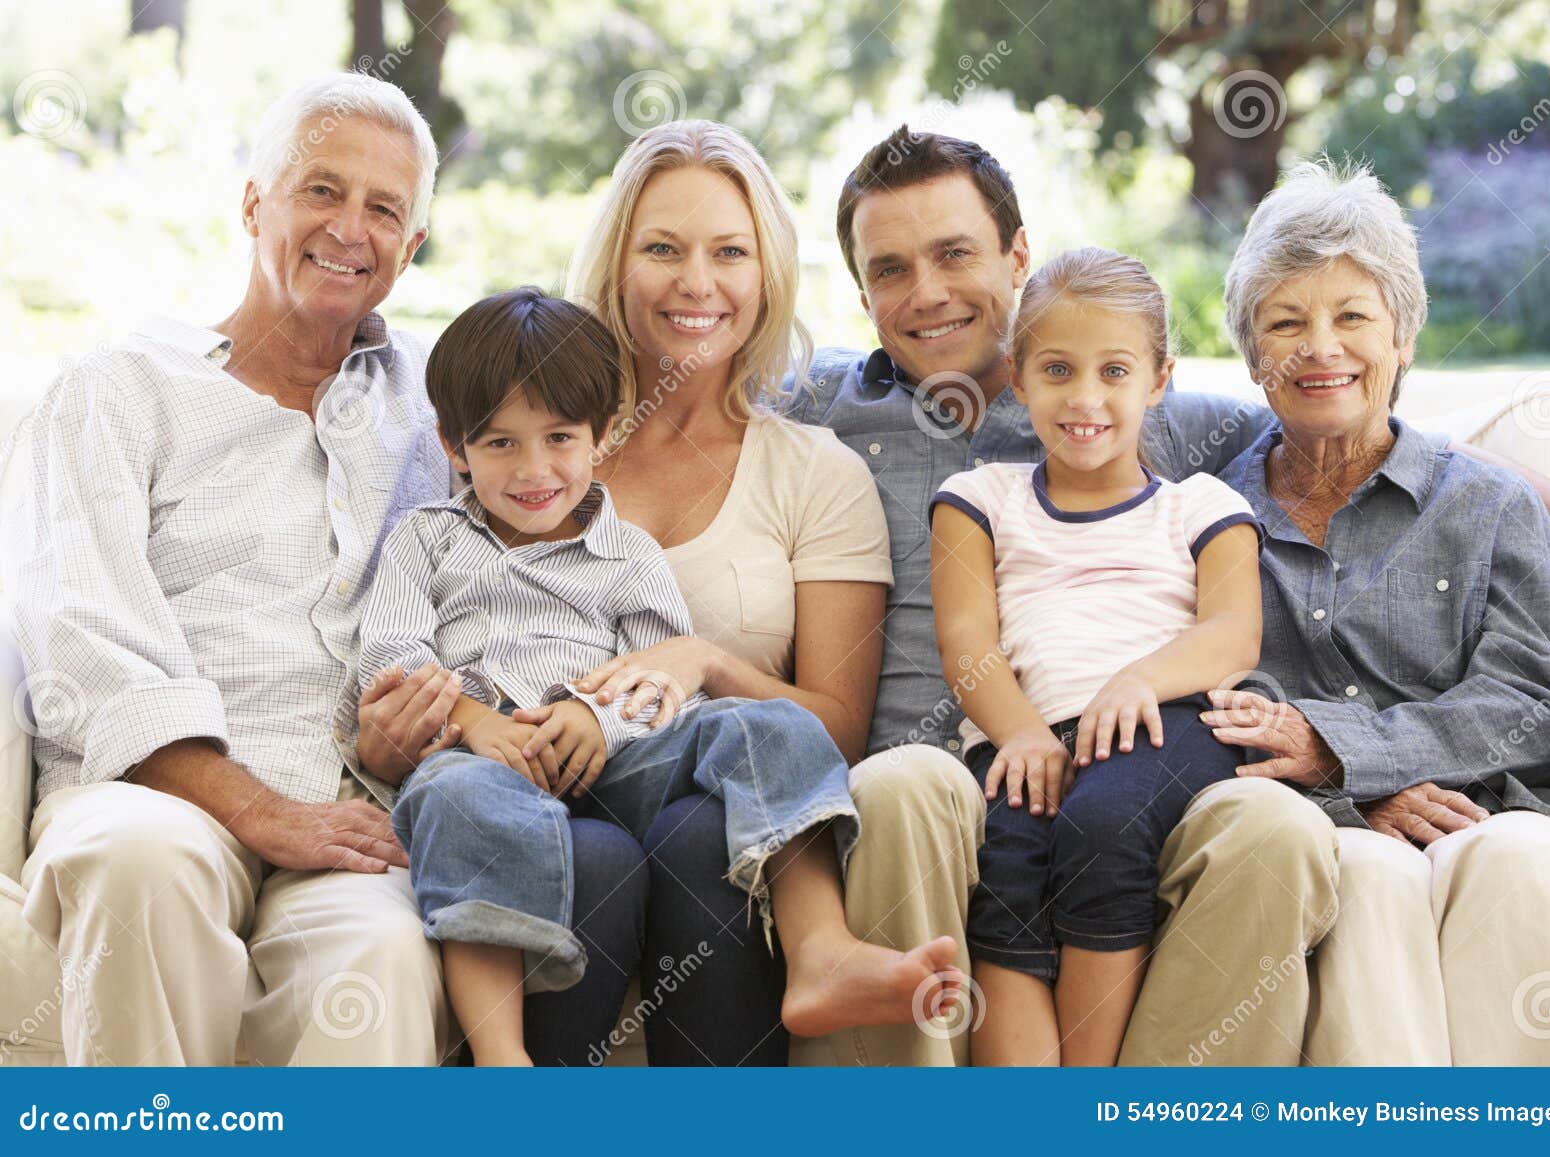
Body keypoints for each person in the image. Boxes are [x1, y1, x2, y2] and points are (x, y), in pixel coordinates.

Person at [788, 124, 1550, 1063]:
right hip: (1016, 765)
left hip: (1248, 773)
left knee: (1329, 842)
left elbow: (1363, 430)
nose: (926, 291)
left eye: (954, 253)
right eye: (892, 268)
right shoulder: (823, 406)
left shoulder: (1173, 436)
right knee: (922, 789)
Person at [486, 118, 986, 1067]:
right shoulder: (533, 449)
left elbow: (834, 731)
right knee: (582, 848)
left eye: (730, 252)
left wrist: (707, 661)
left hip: (711, 822)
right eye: (663, 249)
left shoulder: (814, 470)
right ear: (615, 263)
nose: (697, 283)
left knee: (698, 831)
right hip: (538, 777)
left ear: (767, 276)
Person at [359, 286, 960, 1065]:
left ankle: (820, 948)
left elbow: (669, 682)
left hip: (617, 757)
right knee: (451, 796)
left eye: (559, 437)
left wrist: (595, 718)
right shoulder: (426, 539)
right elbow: (390, 656)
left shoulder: (629, 553)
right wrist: (475, 722)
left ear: (604, 435)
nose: (533, 469)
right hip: (486, 766)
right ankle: (503, 1056)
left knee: (767, 724)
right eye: (499, 443)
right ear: (453, 445)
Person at [7, 73, 459, 1065]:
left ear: (411, 249)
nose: (350, 227)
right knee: (138, 863)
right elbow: (84, 641)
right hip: (152, 795)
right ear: (253, 202)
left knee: (382, 949)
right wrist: (259, 811)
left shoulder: (439, 408)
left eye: (385, 209)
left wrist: (406, 738)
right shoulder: (119, 389)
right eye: (320, 190)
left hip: (349, 809)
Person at [1202, 159, 1550, 1064]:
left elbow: (1536, 709)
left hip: (1494, 810)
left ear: (1403, 338)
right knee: (1372, 875)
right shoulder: (1204, 514)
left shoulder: (1492, 504)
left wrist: (1351, 749)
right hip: (1323, 821)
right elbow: (1207, 707)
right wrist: (1349, 787)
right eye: (1286, 323)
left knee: (1523, 857)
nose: (1320, 347)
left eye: (1352, 317)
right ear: (1254, 356)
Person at [933, 247, 1263, 1064]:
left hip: (1169, 723)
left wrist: (1138, 679)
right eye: (1057, 369)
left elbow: (1233, 634)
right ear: (1017, 376)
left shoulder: (1202, 506)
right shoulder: (979, 500)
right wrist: (1020, 734)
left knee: (1104, 819)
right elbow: (968, 644)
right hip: (1030, 732)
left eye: (1115, 371)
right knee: (1007, 849)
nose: (1085, 398)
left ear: (1159, 380)